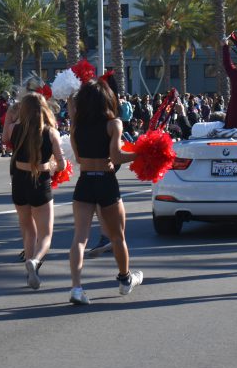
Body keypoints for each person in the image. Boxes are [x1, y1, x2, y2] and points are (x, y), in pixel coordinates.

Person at [67, 79, 143, 305]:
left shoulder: (76, 125)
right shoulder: (114, 124)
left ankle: (76, 288)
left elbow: (79, 158)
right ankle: (124, 279)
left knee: (80, 238)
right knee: (118, 236)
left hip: (85, 182)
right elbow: (117, 157)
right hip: (106, 183)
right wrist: (141, 154)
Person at [10, 93, 68, 290]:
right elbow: (61, 164)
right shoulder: (51, 132)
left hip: (18, 182)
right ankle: (35, 261)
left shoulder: (17, 129)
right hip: (39, 183)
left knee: (27, 229)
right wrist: (50, 166)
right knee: (45, 235)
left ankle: (30, 272)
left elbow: (4, 139)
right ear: (45, 108)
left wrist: (11, 115)